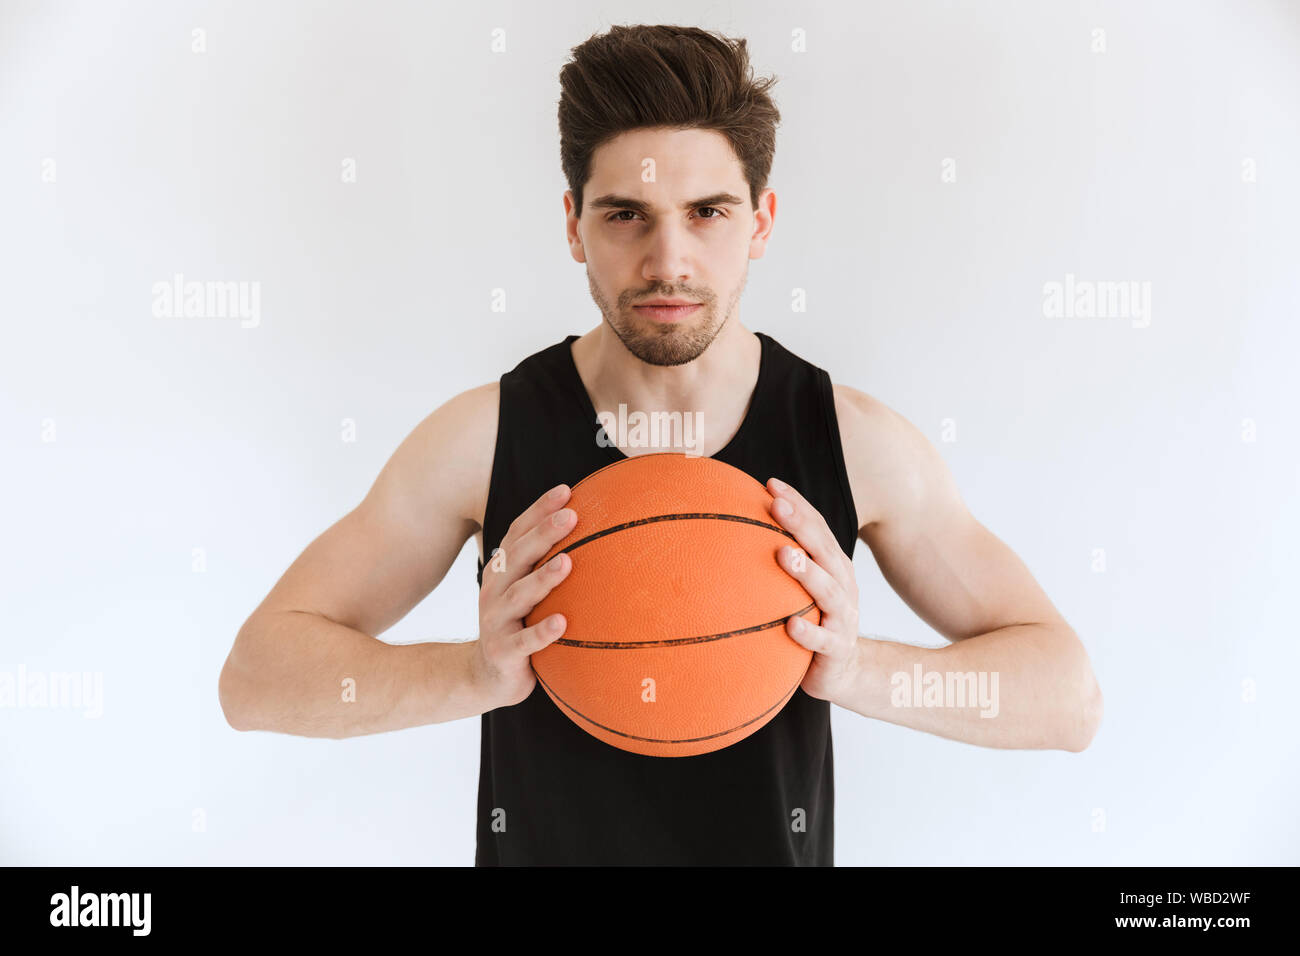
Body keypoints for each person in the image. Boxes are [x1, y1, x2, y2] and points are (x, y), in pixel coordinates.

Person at [218, 24, 1102, 866]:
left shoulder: (852, 442)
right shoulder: (485, 437)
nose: (668, 261)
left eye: (708, 211)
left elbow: (1070, 698)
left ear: (761, 220)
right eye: (625, 215)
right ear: (574, 225)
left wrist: (862, 670)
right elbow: (255, 678)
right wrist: (473, 674)